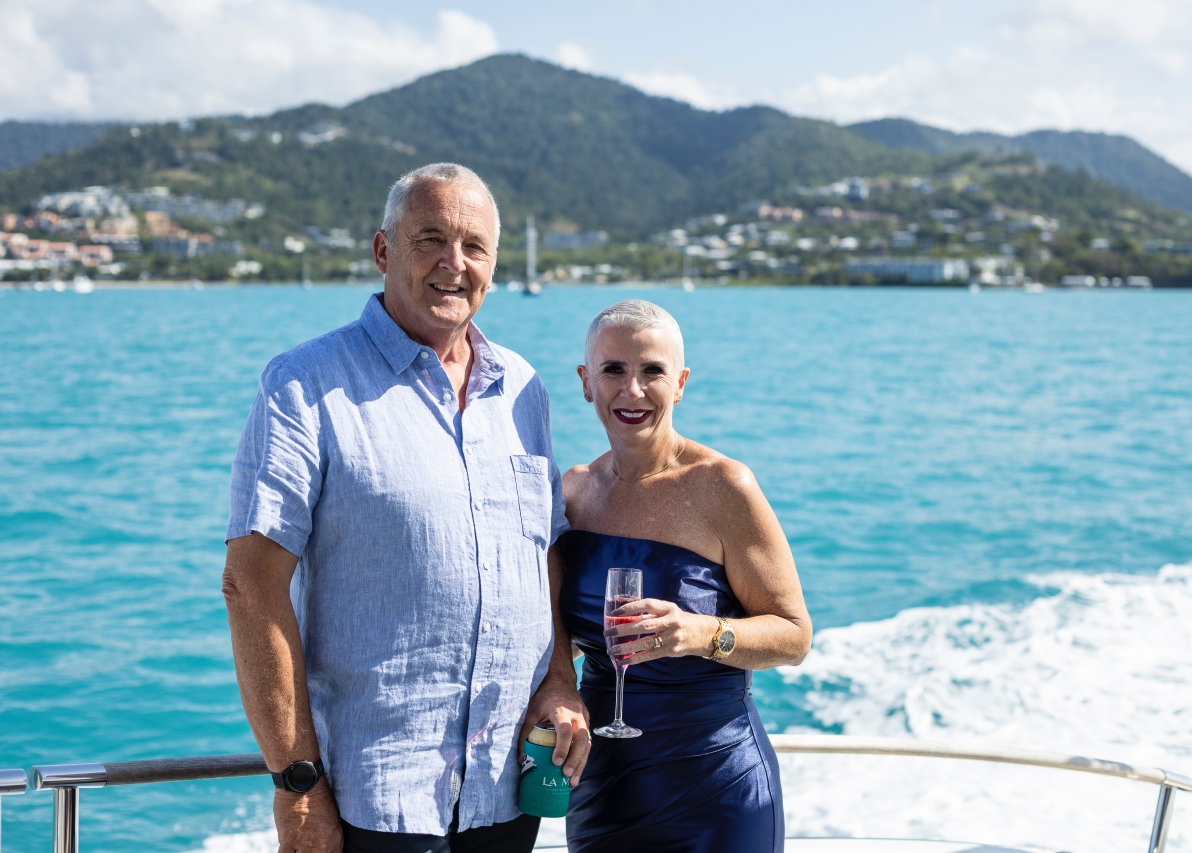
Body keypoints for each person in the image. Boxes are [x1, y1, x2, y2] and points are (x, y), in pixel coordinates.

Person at [220, 163, 590, 853]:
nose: (456, 264)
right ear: (383, 250)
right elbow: (250, 586)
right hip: (375, 801)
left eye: (475, 246)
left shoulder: (523, 388)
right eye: (431, 239)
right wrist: (296, 782)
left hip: (508, 789)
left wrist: (562, 679)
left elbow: (545, 552)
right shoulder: (302, 384)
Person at [558, 300, 812, 852]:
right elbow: (553, 636)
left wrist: (699, 633)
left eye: (652, 371)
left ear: (680, 384)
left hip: (716, 787)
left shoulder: (725, 486)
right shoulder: (572, 494)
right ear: (585, 382)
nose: (633, 391)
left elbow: (794, 636)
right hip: (603, 786)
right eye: (613, 370)